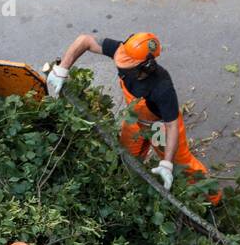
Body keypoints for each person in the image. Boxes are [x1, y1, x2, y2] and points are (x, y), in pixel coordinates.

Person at [47, 31, 220, 204]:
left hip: (158, 127)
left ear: (146, 67)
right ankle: (134, 187)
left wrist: (167, 163)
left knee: (182, 165)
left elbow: (172, 126)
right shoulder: (123, 51)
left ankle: (214, 199)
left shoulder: (162, 88)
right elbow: (84, 40)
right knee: (127, 156)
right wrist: (62, 69)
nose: (120, 66)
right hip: (134, 120)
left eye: (126, 67)